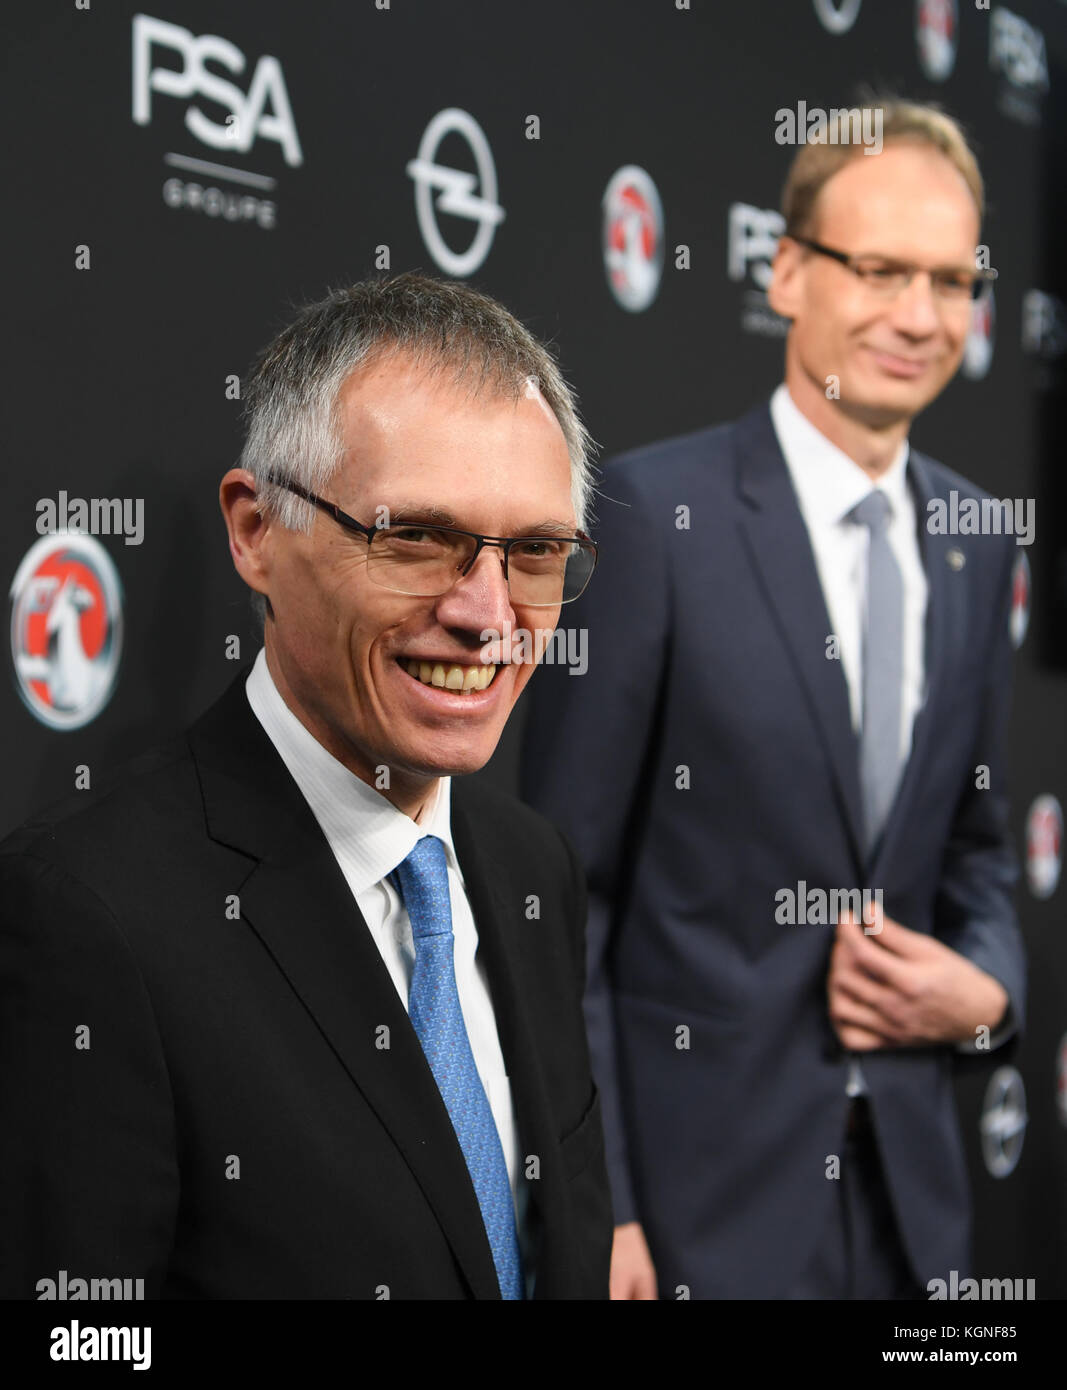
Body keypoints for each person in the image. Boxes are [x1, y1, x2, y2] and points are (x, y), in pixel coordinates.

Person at [0, 273, 611, 1300]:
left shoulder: (528, 867)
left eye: (535, 552)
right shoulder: (86, 917)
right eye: (413, 536)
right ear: (256, 532)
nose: (486, 612)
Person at [521, 100, 1026, 1300]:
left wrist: (988, 994)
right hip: (696, 1226)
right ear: (787, 272)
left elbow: (976, 854)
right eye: (880, 269)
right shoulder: (652, 518)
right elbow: (559, 899)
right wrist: (606, 1212)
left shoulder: (976, 540)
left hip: (914, 1219)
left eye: (951, 280)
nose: (918, 315)